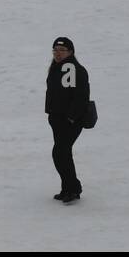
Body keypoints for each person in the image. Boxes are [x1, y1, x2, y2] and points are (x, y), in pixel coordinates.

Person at [45, 36, 89, 203]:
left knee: (60, 153)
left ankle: (73, 188)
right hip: (57, 119)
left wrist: (71, 117)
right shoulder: (57, 68)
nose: (58, 53)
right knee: (63, 154)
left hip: (70, 121)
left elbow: (81, 96)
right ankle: (68, 189)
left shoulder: (72, 69)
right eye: (55, 50)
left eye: (62, 50)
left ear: (70, 52)